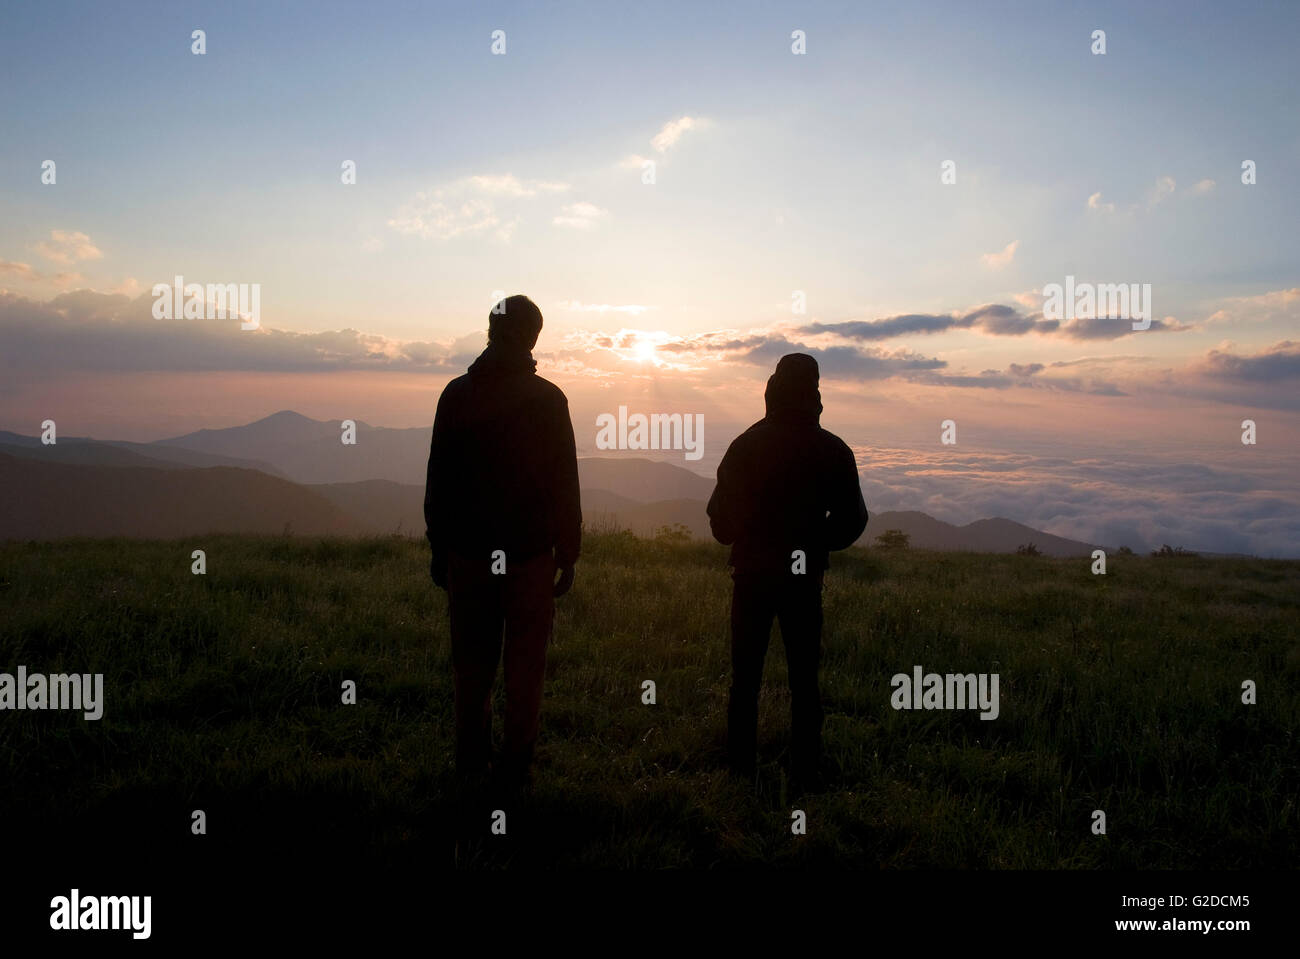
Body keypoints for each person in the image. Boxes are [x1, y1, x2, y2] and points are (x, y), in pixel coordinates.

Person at [424, 294, 581, 792]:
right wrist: (568, 551)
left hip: (468, 555)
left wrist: (438, 547)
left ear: (491, 331)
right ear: (531, 337)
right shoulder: (548, 400)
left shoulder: (456, 394)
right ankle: (515, 767)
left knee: (471, 665)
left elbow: (439, 482)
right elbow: (564, 484)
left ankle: (471, 764)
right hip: (530, 557)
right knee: (525, 666)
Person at [707, 353, 868, 790]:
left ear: (771, 390)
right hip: (804, 581)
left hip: (751, 577)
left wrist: (751, 533)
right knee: (804, 680)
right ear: (814, 394)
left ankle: (740, 771)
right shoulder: (834, 450)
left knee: (745, 680)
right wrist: (815, 543)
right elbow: (853, 521)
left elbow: (721, 524)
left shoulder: (745, 445)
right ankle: (806, 773)